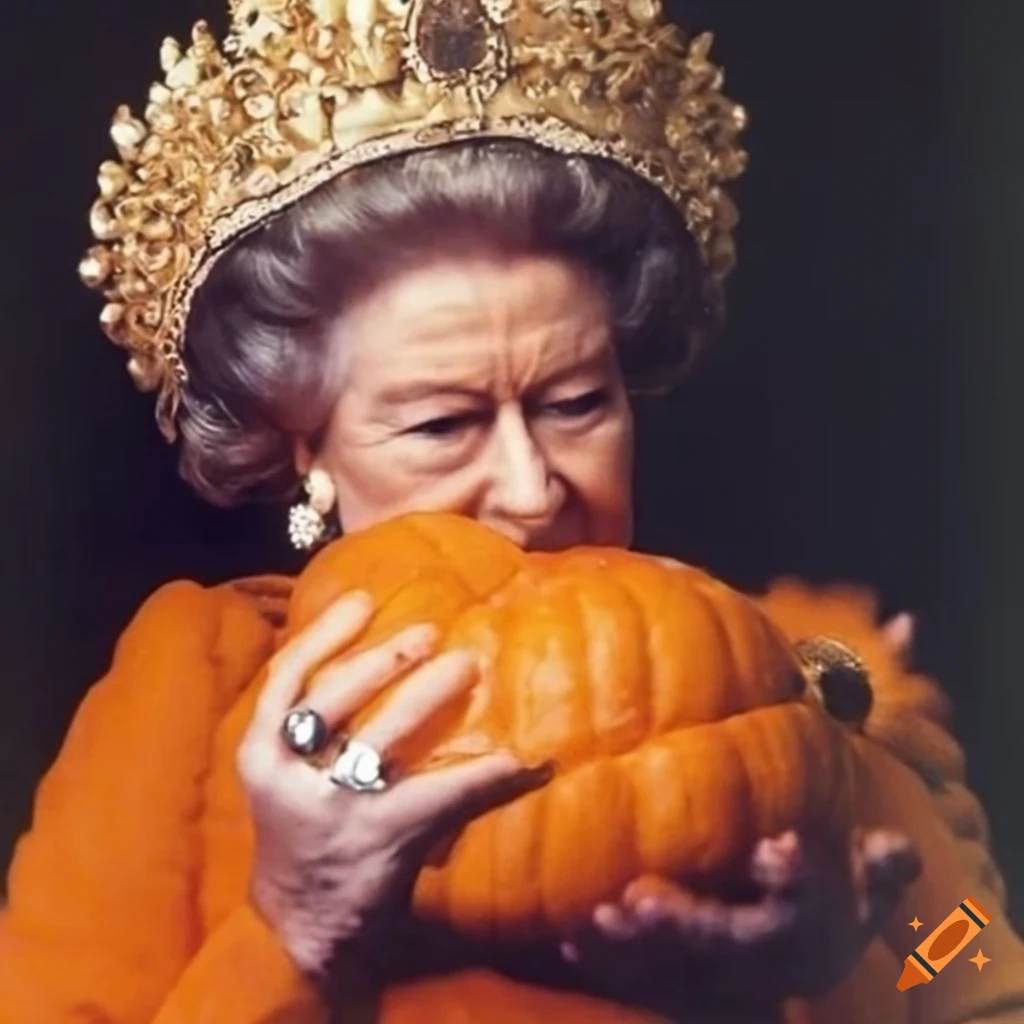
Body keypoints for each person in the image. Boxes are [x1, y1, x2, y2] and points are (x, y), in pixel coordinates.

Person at [1, 0, 1023, 1020]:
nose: (534, 491)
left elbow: (969, 963)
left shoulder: (788, 683)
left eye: (577, 404)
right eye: (443, 425)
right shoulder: (197, 684)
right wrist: (293, 934)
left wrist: (836, 977)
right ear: (305, 447)